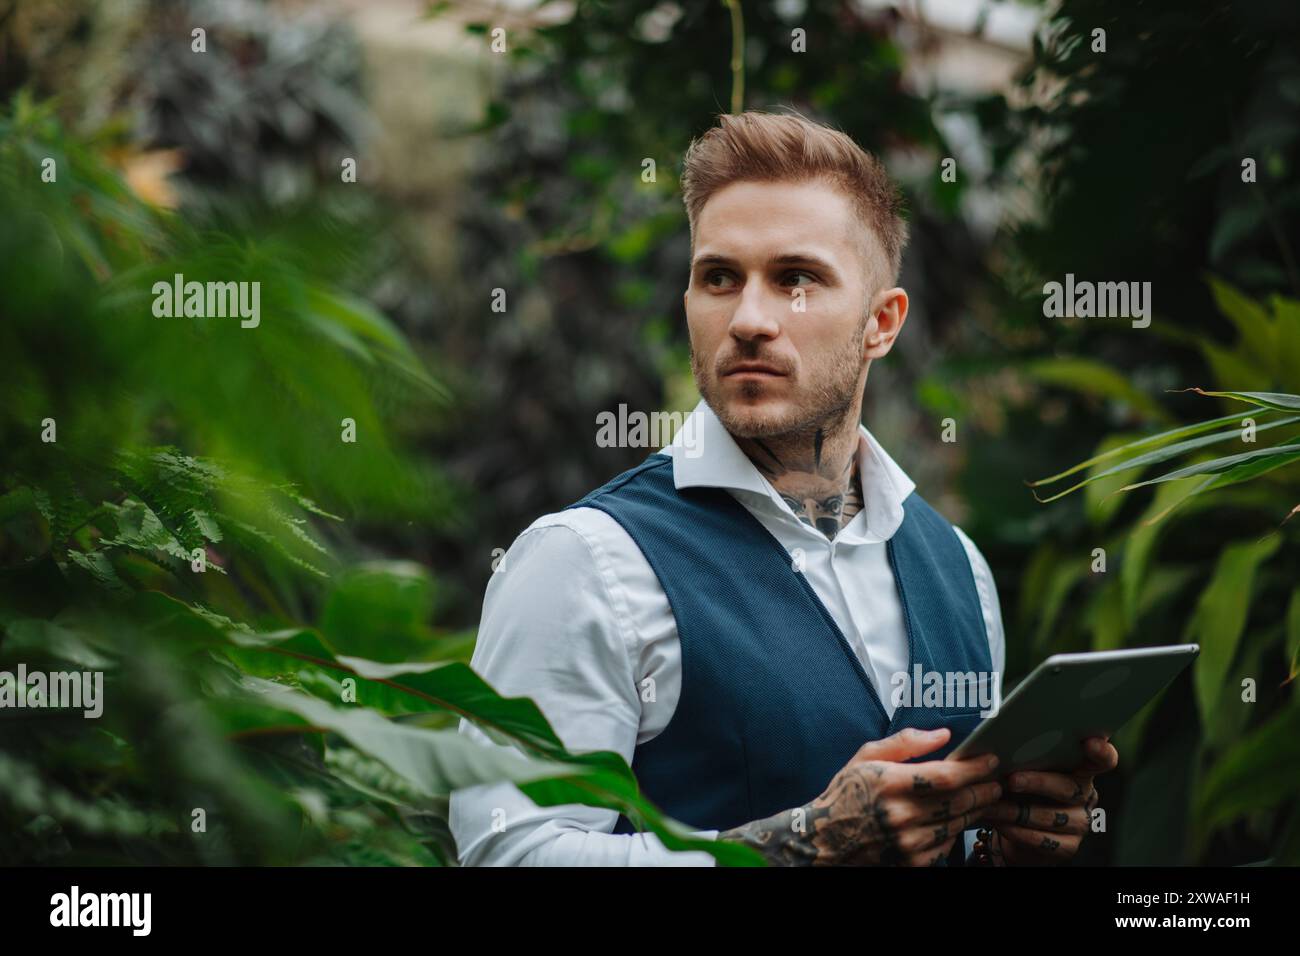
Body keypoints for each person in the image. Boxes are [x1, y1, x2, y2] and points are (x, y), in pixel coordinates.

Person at [450, 109, 1117, 866]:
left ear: (882, 323)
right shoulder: (584, 562)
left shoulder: (958, 568)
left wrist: (1010, 846)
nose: (750, 319)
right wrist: (795, 849)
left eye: (795, 279)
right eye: (719, 278)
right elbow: (509, 853)